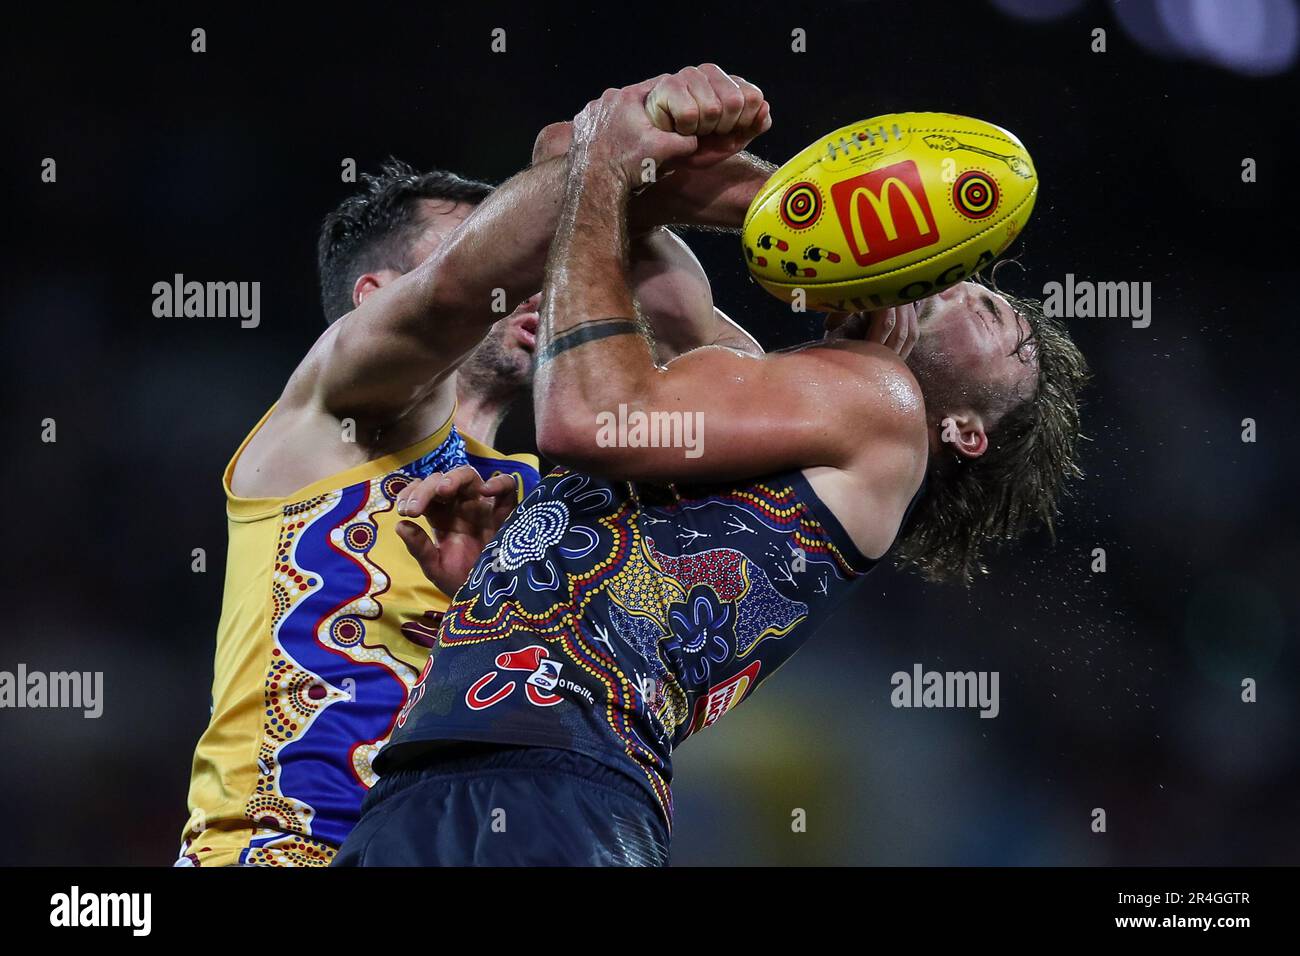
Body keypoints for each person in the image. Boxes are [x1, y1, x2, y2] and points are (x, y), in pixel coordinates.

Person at [334, 68, 1088, 866]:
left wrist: (610, 164)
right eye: (971, 279)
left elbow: (584, 416)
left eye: (1006, 324)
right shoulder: (735, 376)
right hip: (428, 771)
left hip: (564, 789)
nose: (971, 289)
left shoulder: (887, 409)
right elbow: (568, 160)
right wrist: (803, 201)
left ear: (967, 431)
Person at [178, 66, 777, 867]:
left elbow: (749, 396)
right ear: (375, 297)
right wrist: (615, 155)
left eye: (534, 262)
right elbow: (457, 289)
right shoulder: (332, 419)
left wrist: (728, 201)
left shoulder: (548, 496)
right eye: (496, 249)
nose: (533, 283)